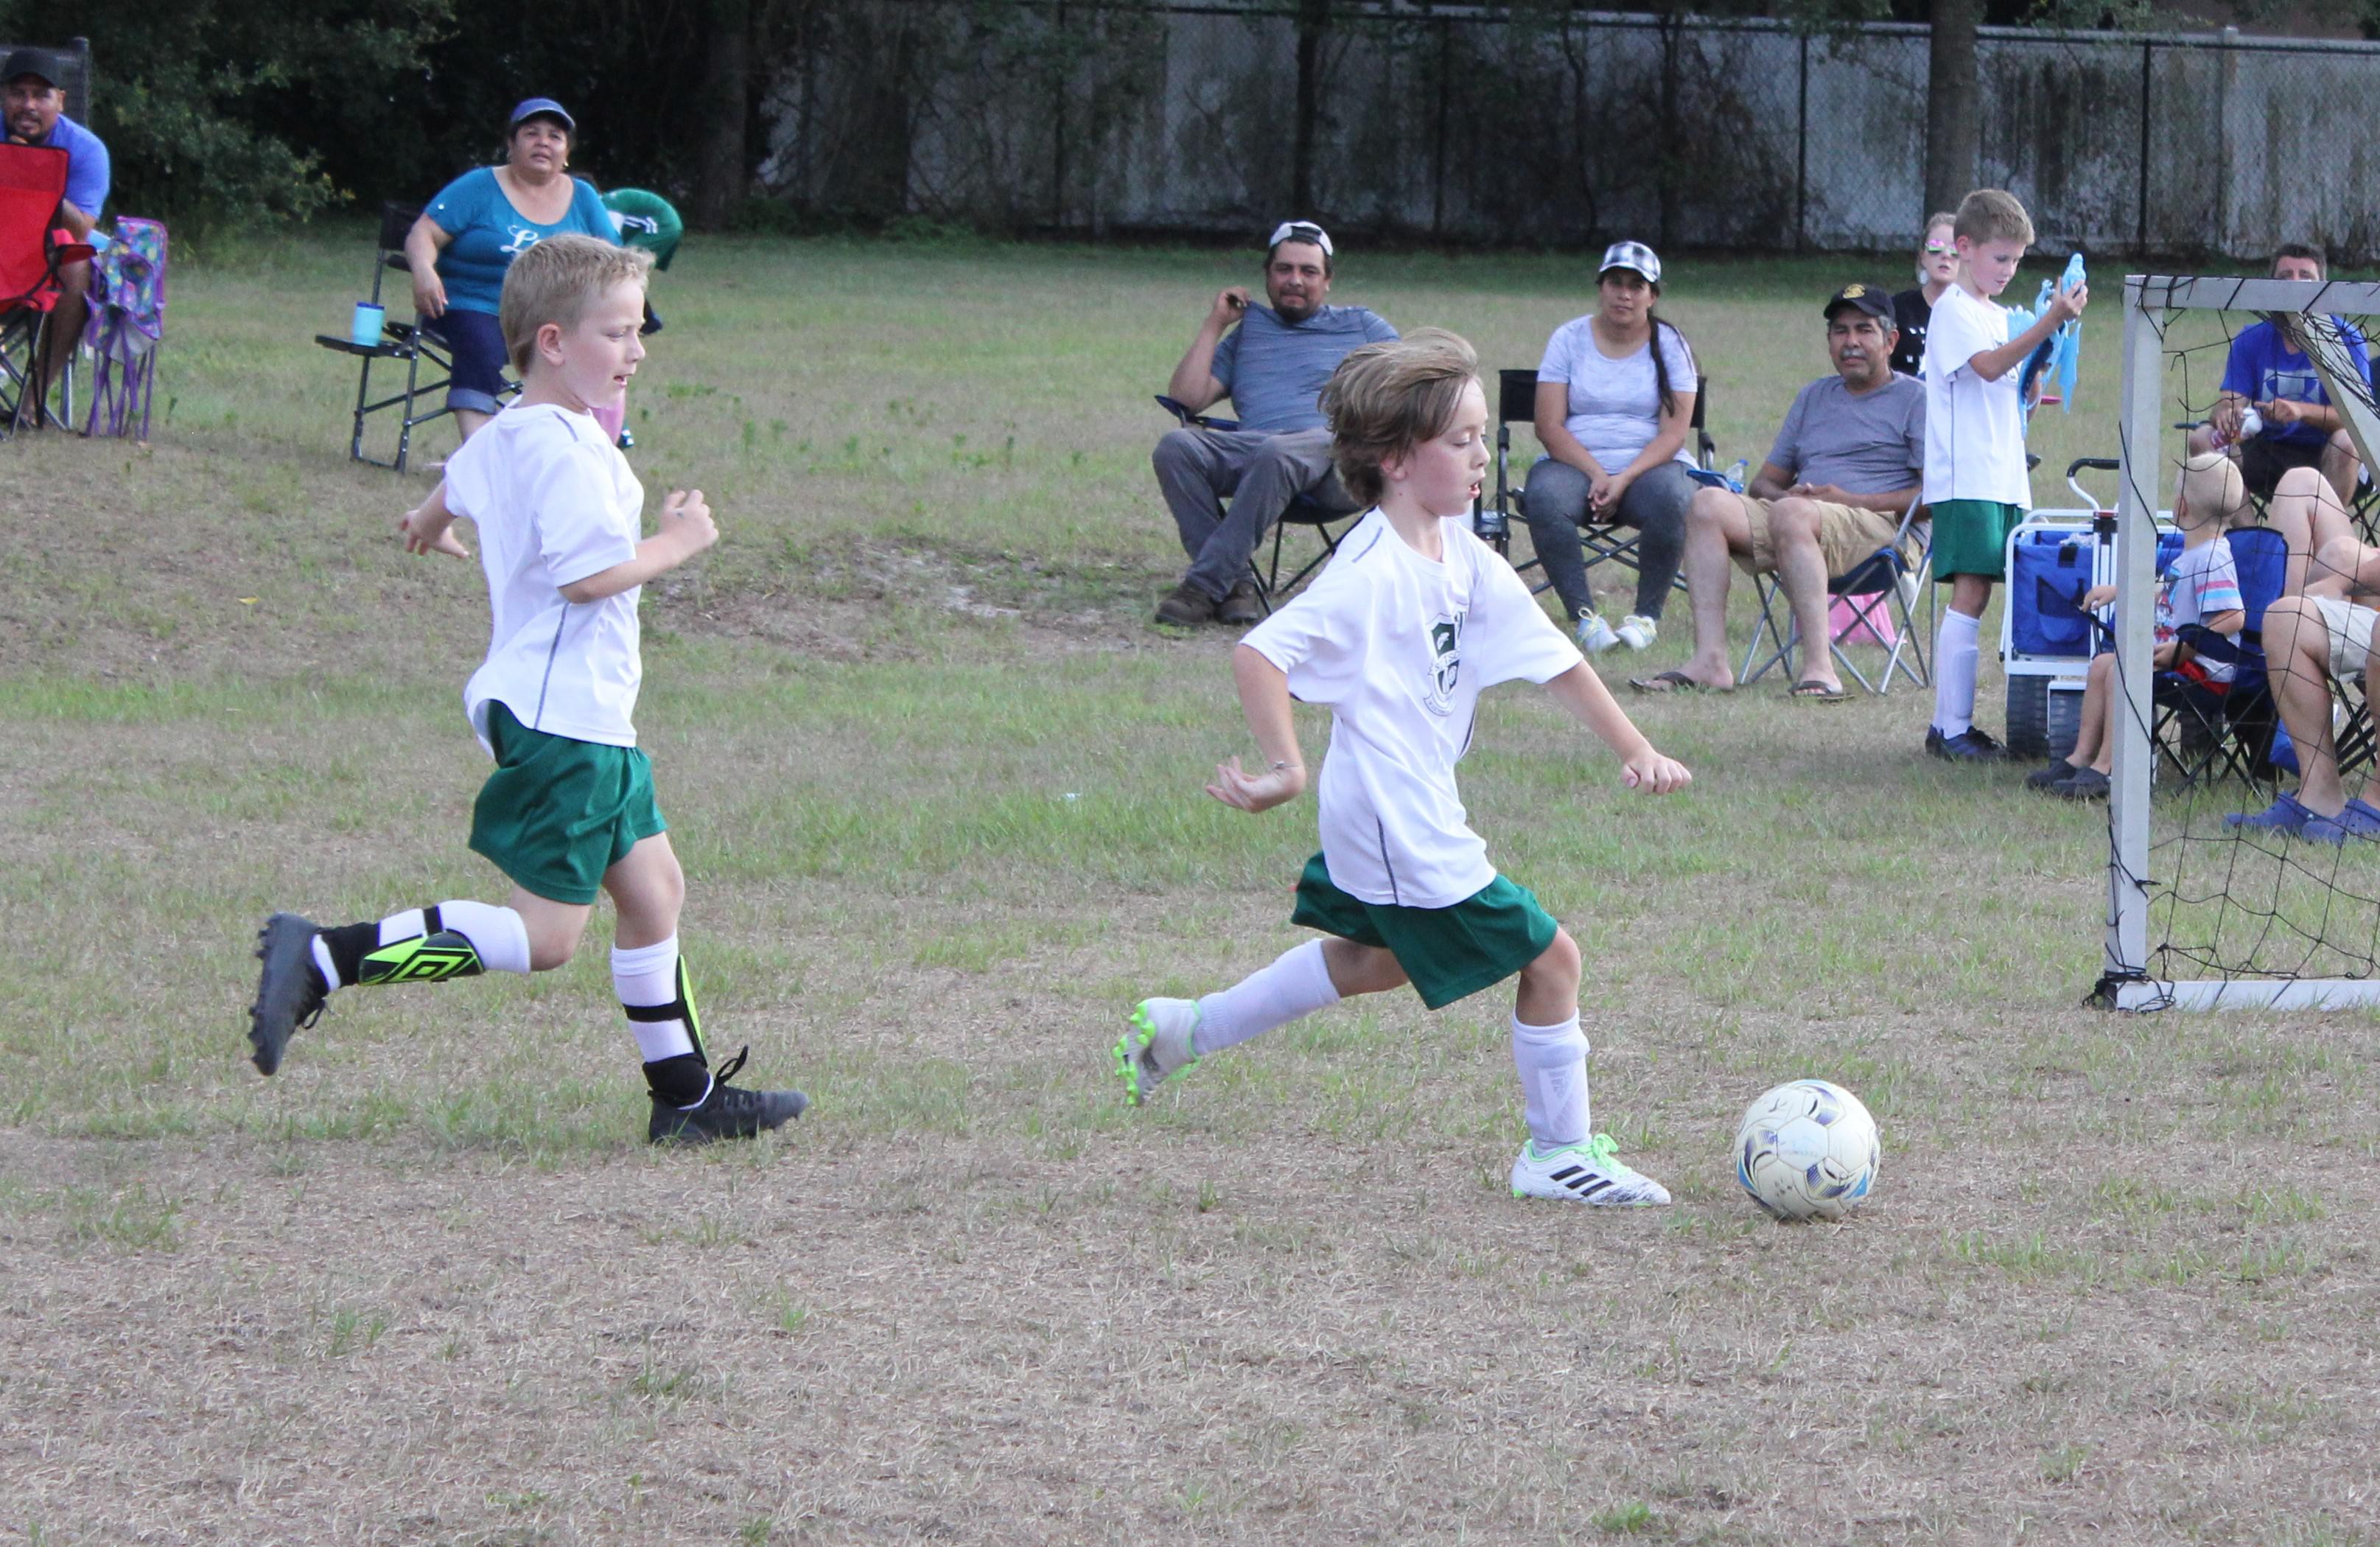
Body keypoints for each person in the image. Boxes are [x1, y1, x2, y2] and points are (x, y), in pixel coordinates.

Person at [246, 236, 807, 1145]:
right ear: (552, 340)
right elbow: (590, 577)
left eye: (638, 331)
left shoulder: (513, 427)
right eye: (618, 333)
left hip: (577, 712)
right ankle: (323, 953)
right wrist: (679, 540)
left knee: (655, 891)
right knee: (547, 938)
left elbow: (454, 487)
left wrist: (427, 523)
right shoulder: (573, 457)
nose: (637, 351)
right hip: (565, 718)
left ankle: (687, 1098)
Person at [1113, 329, 1690, 1206]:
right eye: (1457, 441)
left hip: (1400, 801)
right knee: (1551, 957)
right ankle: (1556, 1153)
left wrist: (1635, 746)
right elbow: (1259, 653)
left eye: (1479, 436)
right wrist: (1284, 767)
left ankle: (1184, 1028)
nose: (1477, 459)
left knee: (1375, 960)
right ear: (1391, 458)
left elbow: (1555, 660)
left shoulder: (1457, 551)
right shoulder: (1371, 570)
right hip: (1391, 812)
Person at [1642, 282, 1925, 698]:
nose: (1851, 342)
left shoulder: (1917, 399)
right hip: (1802, 522)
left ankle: (1819, 670)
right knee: (1707, 504)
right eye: (1840, 331)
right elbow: (1764, 483)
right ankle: (1710, 662)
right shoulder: (1813, 396)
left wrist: (1847, 502)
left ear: (1891, 341)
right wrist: (1795, 499)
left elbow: (1933, 497)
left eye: (1864, 330)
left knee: (1792, 515)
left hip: (1883, 531)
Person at [1152, 220, 1398, 626]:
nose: (1295, 281)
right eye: (1284, 269)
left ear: (1328, 280)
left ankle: (1202, 587)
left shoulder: (1363, 326)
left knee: (1279, 450)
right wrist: (1216, 323)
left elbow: (1413, 388)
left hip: (1336, 461)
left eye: (1309, 272)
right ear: (1267, 275)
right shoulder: (1250, 330)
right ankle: (1236, 585)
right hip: (1258, 452)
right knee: (1175, 448)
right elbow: (1186, 399)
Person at [1922, 188, 2088, 761]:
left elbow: (2015, 388)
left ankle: (1956, 725)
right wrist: (2048, 324)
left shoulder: (1998, 315)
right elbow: (1988, 365)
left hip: (2002, 471)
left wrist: (2043, 362)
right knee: (1970, 593)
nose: (2007, 271)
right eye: (1999, 258)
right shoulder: (1953, 310)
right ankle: (1950, 728)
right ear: (1964, 248)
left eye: (2016, 261)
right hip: (1966, 473)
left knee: (1987, 594)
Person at [2028, 453, 2246, 799]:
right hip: (2177, 658)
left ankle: (2108, 768)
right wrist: (2119, 592)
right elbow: (2166, 589)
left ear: (2180, 507)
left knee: (2120, 672)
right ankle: (2080, 758)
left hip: (2204, 670)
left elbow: (2234, 616)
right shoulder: (2193, 554)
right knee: (2103, 664)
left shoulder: (2213, 558)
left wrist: (2186, 648)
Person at [1521, 241, 1700, 654]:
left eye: (1637, 286)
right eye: (1615, 283)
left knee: (1675, 497)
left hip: (1649, 467)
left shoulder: (1672, 345)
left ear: (1652, 296)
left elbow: (1673, 435)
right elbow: (1548, 425)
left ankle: (1646, 617)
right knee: (1544, 497)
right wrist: (1599, 474)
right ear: (1600, 289)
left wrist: (1624, 478)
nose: (1624, 294)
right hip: (1572, 464)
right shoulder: (1568, 338)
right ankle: (1584, 617)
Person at [406, 98, 617, 445]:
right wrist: (424, 270)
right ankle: (478, 457)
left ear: (566, 153)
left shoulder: (582, 197)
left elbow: (613, 261)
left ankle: (573, 449)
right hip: (471, 304)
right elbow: (422, 235)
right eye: (531, 133)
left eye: (555, 136)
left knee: (592, 347)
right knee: (483, 341)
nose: (543, 142)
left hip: (549, 316)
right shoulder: (478, 187)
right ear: (511, 144)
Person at [2187, 244, 2369, 506]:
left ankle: (2323, 541)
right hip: (2267, 451)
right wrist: (2226, 415)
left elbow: (2357, 421)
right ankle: (2250, 539)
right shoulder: (2251, 338)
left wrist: (2300, 411)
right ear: (2270, 286)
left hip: (2328, 454)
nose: (2295, 284)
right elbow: (2229, 402)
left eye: (2305, 276)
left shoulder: (2348, 339)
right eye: (2286, 277)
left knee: (2347, 441)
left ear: (2324, 286)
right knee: (2201, 438)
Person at [2, 47, 108, 424]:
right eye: (18, 93)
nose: (28, 105)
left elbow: (81, 228)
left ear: (60, 101)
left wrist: (33, 173)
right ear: (4, 97)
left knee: (79, 265)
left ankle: (31, 405)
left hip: (44, 261)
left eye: (41, 95)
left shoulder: (86, 150)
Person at [1889, 212, 1957, 378]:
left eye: (1955, 249)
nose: (1946, 255)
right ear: (1923, 257)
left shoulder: (1976, 314)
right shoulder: (1895, 308)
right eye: (1935, 247)